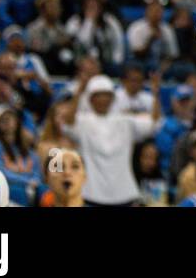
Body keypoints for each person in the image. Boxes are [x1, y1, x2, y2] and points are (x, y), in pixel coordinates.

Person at [64, 72, 162, 206]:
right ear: (90, 99)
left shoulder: (124, 121)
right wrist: (79, 92)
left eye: (106, 95)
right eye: (98, 95)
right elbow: (67, 124)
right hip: (92, 193)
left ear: (112, 98)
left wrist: (156, 94)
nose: (103, 99)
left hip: (124, 193)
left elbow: (154, 124)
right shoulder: (83, 121)